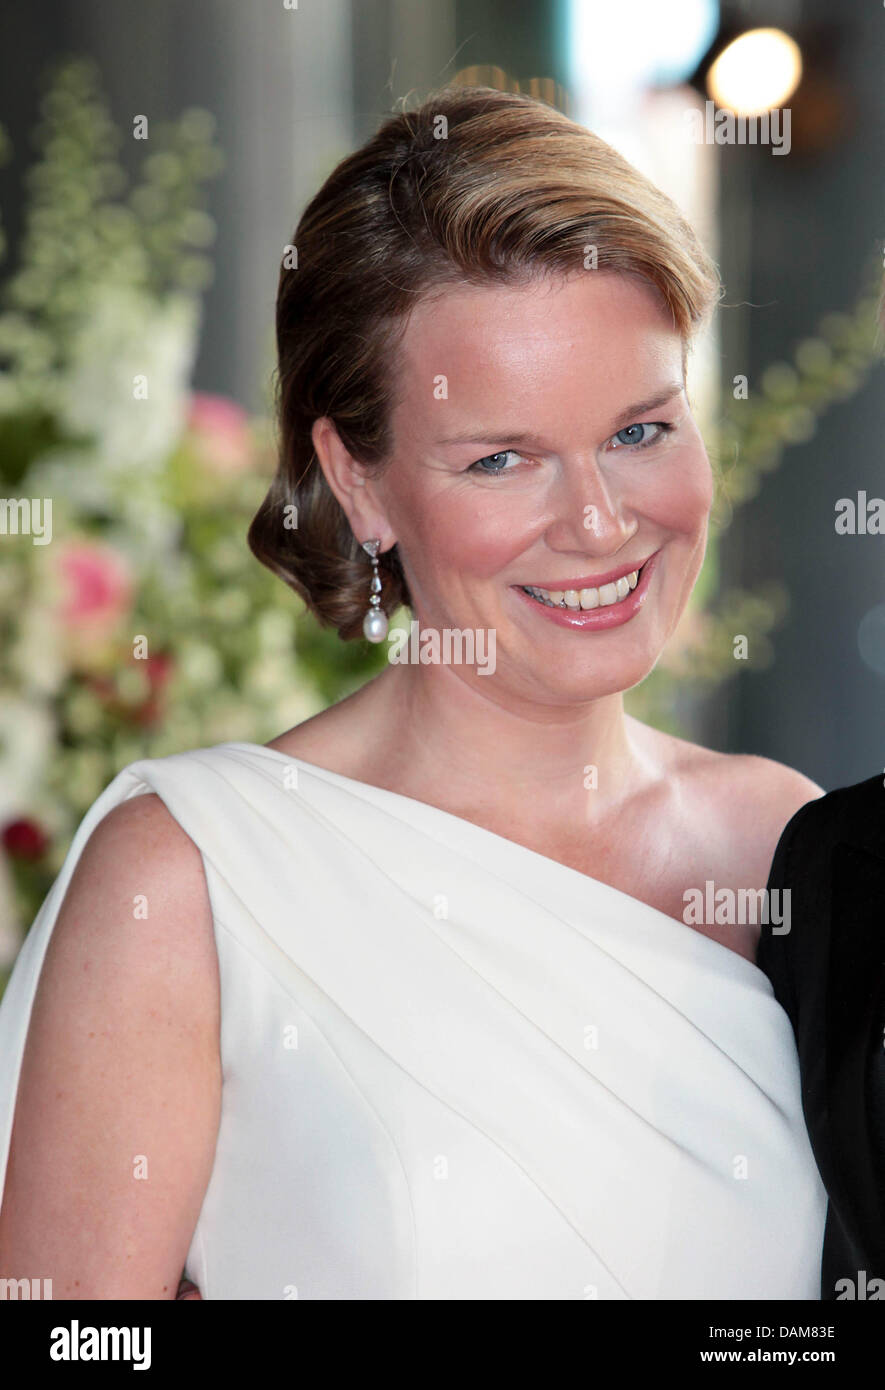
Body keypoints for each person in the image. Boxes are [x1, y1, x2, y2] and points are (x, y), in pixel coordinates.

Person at [0, 85, 830, 1300]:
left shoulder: (793, 844)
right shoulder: (194, 879)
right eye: (501, 459)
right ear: (359, 481)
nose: (600, 521)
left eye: (641, 431)